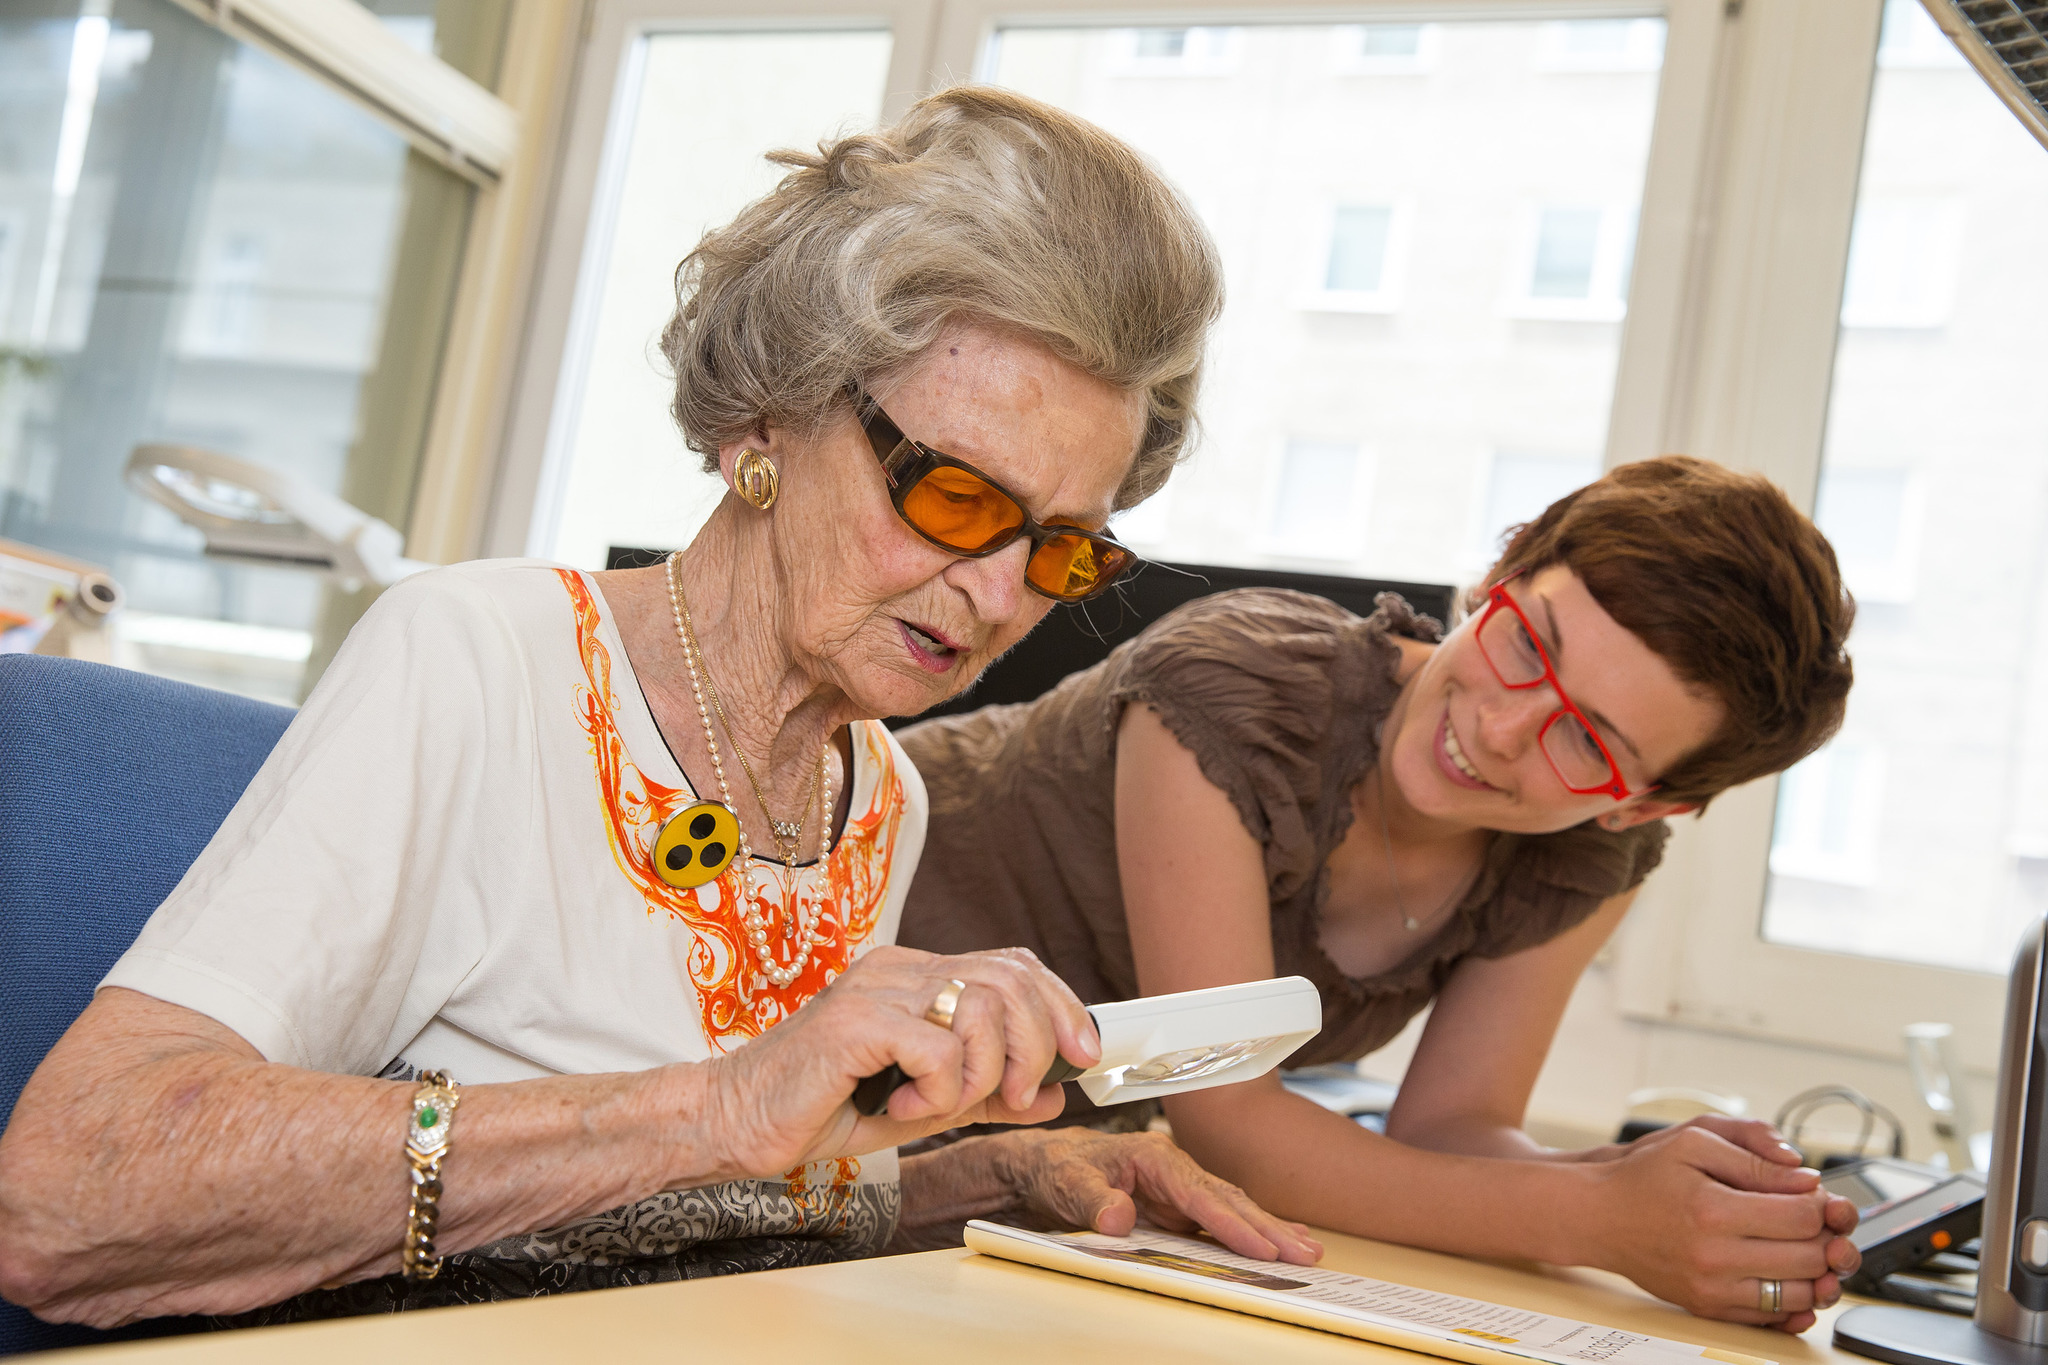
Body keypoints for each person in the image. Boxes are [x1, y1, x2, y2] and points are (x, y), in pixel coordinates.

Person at [0, 87, 1322, 1333]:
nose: (993, 592)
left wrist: (995, 1176)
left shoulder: (878, 793)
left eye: (1060, 550)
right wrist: (730, 1100)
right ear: (769, 419)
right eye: (957, 499)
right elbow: (67, 1188)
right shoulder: (478, 658)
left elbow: (712, 1210)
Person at [896, 455, 1863, 1333]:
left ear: (1646, 801)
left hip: (1008, 1163)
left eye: (1589, 742)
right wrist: (1609, 1219)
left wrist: (1678, 1195)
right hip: (804, 979)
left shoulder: (1587, 856)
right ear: (1504, 572)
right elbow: (1228, 1119)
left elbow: (1451, 1128)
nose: (1501, 728)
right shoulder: (1239, 685)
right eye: (1529, 644)